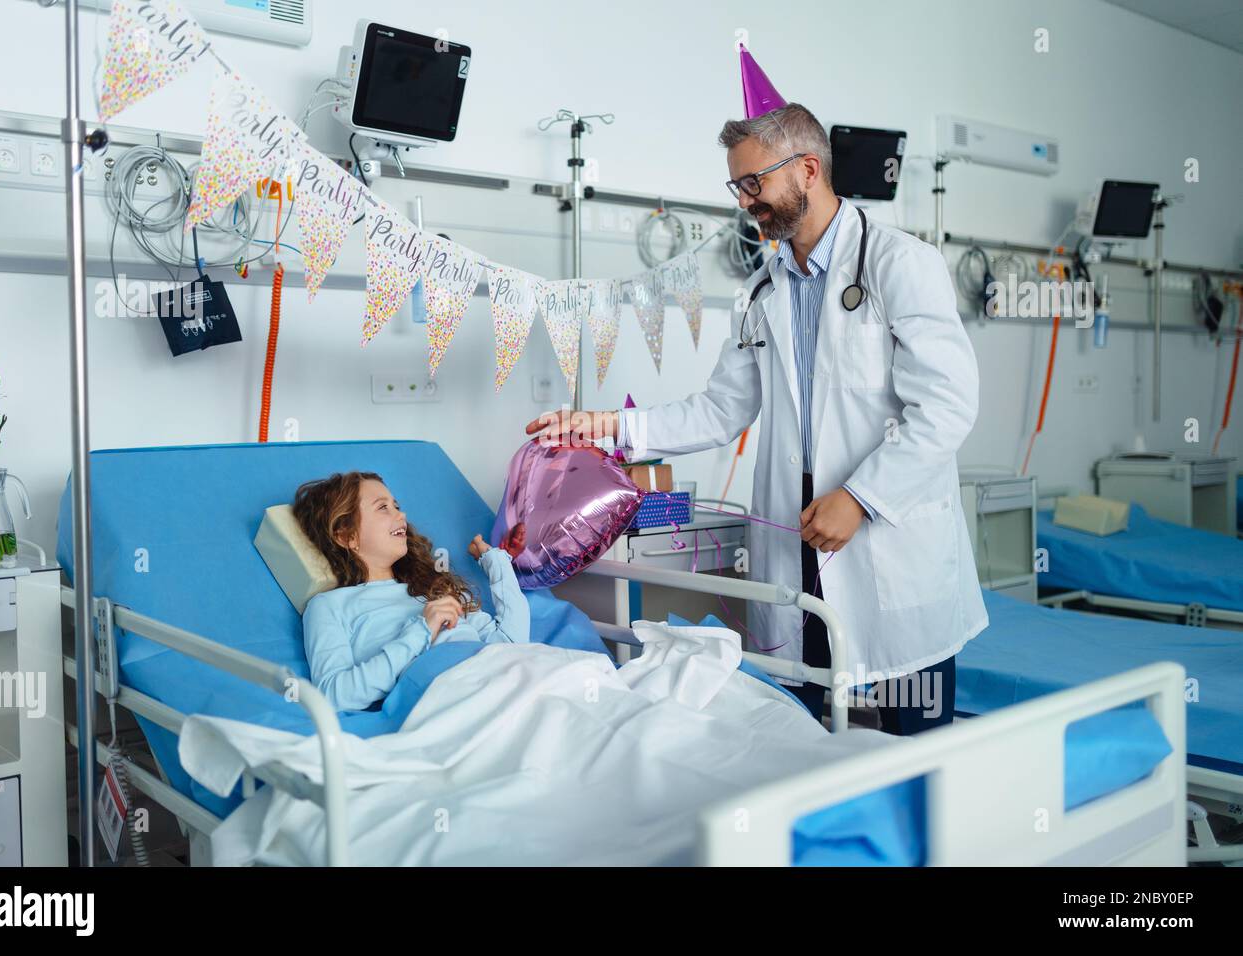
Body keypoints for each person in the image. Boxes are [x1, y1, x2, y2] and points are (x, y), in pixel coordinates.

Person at [527, 103, 986, 735]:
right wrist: (604, 426)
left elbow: (947, 405)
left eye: (754, 183)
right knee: (815, 727)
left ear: (806, 169)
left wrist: (860, 498)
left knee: (919, 733)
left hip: (885, 531)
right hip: (797, 535)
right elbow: (721, 410)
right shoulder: (762, 292)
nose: (745, 201)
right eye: (737, 186)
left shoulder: (898, 264)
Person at [293, 471, 529, 712]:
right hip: (457, 699)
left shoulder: (434, 589)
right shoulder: (329, 605)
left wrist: (497, 562)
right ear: (346, 536)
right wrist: (421, 631)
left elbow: (512, 645)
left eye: (396, 506)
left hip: (506, 678)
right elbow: (333, 695)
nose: (401, 514)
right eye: (383, 507)